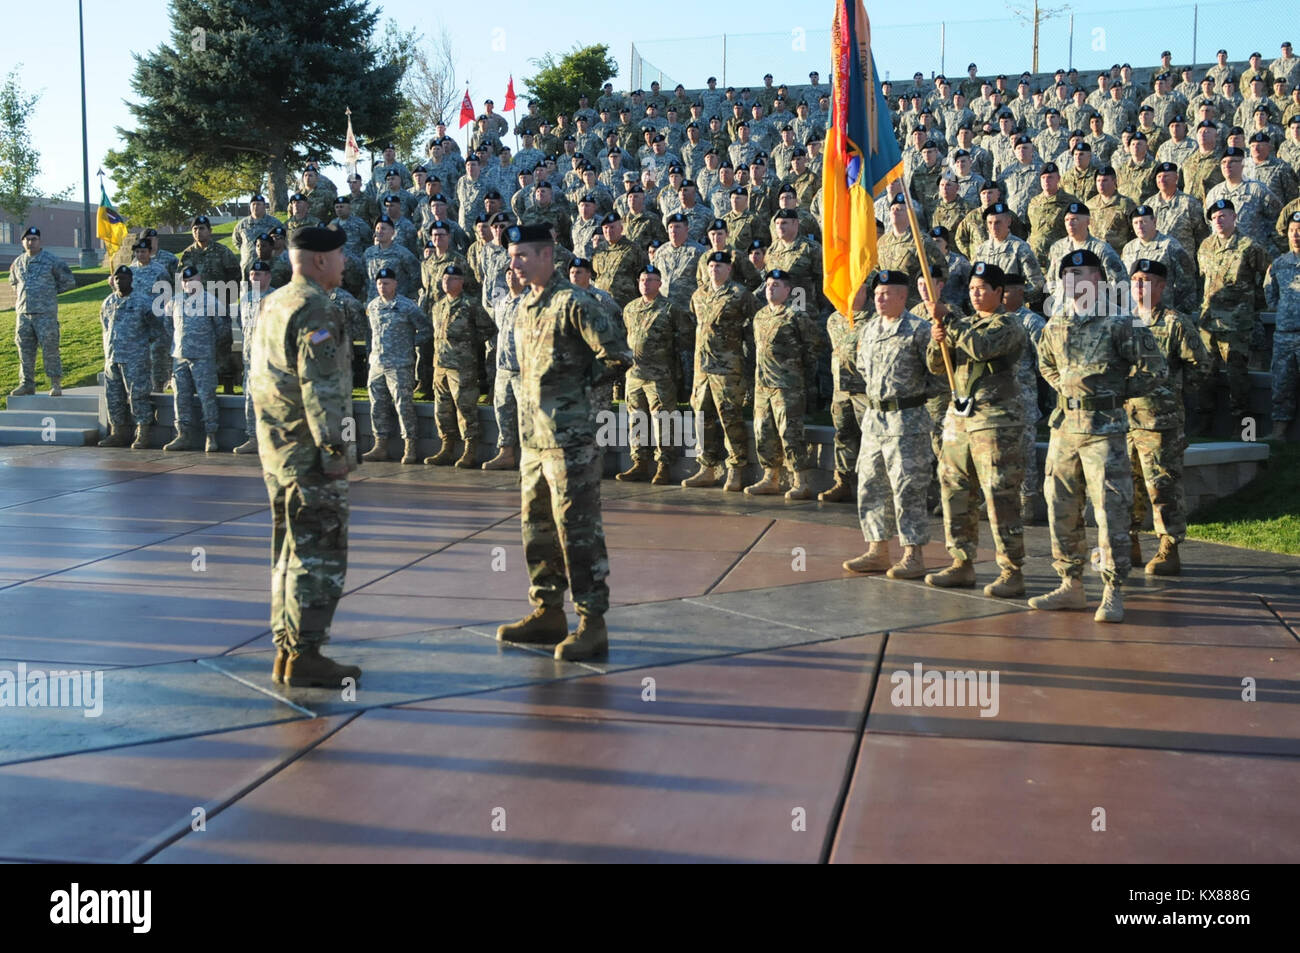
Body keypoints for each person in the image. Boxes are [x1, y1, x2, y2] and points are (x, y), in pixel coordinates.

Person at [495, 223, 632, 662]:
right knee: (536, 529)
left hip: (570, 441)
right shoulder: (524, 307)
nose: (512, 264)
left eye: (520, 256)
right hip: (534, 441)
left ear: (545, 257)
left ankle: (592, 623)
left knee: (578, 532)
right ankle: (547, 611)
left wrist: (579, 394)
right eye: (511, 257)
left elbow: (617, 356)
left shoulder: (575, 304)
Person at [249, 224, 360, 688]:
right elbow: (323, 389)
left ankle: (287, 650)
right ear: (319, 261)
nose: (343, 262)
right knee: (320, 552)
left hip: (277, 451)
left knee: (288, 551)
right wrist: (336, 451)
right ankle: (307, 653)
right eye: (338, 255)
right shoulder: (317, 310)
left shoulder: (273, 303)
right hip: (309, 454)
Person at [1030, 249, 1163, 623]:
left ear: (1100, 280)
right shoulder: (1056, 322)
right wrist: (1068, 390)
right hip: (1064, 429)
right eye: (1067, 276)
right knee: (1060, 506)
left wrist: (1114, 392)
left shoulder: (1122, 320)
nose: (1074, 282)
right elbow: (1045, 363)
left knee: (1109, 510)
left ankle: (1112, 589)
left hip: (1104, 431)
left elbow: (1156, 368)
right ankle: (1070, 584)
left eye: (1083, 274)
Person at [924, 263, 1029, 597]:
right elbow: (938, 366)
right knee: (954, 489)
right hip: (961, 417)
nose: (976, 294)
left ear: (1000, 293)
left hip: (995, 419)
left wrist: (950, 321)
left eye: (983, 288)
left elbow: (982, 348)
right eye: (972, 288)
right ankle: (961, 561)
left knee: (999, 494)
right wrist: (936, 337)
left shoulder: (1008, 323)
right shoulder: (963, 323)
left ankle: (1011, 570)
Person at [841, 271, 935, 578]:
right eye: (877, 293)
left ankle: (913, 554)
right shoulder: (869, 329)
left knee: (908, 488)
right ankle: (877, 549)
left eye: (886, 294)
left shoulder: (920, 330)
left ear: (902, 296)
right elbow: (863, 368)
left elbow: (937, 375)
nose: (879, 298)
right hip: (874, 421)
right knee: (870, 485)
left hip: (907, 421)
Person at [1127, 258, 1211, 575]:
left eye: (1147, 280)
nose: (1139, 285)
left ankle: (1168, 547)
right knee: (1126, 485)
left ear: (1161, 286)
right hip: (1126, 420)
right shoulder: (1123, 321)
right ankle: (1129, 541)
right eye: (1135, 279)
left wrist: (1170, 392)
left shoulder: (1175, 322)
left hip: (1161, 423)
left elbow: (1200, 367)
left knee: (1163, 487)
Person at [681, 251, 758, 491]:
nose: (714, 269)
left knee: (729, 418)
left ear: (729, 269)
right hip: (701, 368)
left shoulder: (739, 294)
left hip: (727, 367)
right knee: (702, 418)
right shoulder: (699, 294)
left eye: (719, 266)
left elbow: (753, 325)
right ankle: (707, 467)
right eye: (711, 265)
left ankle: (736, 468)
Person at [743, 271, 821, 499]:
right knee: (763, 431)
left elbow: (813, 346)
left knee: (790, 432)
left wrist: (795, 371)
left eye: (776, 285)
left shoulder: (797, 315)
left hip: (787, 385)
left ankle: (801, 480)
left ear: (788, 291)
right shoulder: (760, 317)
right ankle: (770, 478)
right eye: (768, 285)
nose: (770, 289)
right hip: (763, 385)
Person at [616, 264, 693, 485]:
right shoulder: (630, 308)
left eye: (650, 280)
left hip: (660, 375)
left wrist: (681, 375)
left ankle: (664, 465)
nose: (645, 284)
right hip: (635, 374)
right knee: (636, 419)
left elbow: (685, 341)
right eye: (642, 280)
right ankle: (640, 462)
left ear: (660, 284)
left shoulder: (670, 309)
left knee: (663, 420)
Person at [1197, 198, 1270, 424]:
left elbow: (1268, 274)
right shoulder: (1206, 246)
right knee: (1205, 372)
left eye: (1223, 216)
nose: (1218, 221)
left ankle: (1243, 426)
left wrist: (1253, 303)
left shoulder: (1249, 246)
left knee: (1237, 375)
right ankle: (1205, 422)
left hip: (1237, 323)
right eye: (1214, 218)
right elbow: (1204, 278)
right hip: (1209, 322)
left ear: (1234, 217)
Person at [423, 265, 494, 468]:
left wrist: (468, 345)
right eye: (445, 278)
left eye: (452, 278)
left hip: (462, 366)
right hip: (441, 365)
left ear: (461, 282)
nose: (447, 282)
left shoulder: (470, 305)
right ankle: (447, 447)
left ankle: (469, 450)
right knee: (442, 410)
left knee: (465, 408)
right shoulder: (438, 306)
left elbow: (488, 329)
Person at [361, 267, 430, 465]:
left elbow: (425, 329)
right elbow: (370, 333)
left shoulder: (407, 306)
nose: (383, 287)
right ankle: (380, 444)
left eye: (387, 283)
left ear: (395, 284)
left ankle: (410, 446)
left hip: (399, 365)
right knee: (377, 405)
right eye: (380, 284)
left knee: (403, 405)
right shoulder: (373, 306)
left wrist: (409, 344)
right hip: (377, 364)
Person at [164, 265, 227, 453]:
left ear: (199, 279)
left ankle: (211, 435)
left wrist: (207, 344)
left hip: (203, 357)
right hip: (180, 357)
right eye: (184, 280)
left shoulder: (210, 301)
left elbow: (222, 329)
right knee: (180, 397)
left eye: (191, 279)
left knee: (207, 396)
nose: (188, 283)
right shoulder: (174, 301)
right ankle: (183, 435)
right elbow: (168, 325)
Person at [8, 226, 76, 396]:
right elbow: (14, 282)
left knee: (50, 349)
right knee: (24, 350)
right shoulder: (18, 262)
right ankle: (27, 384)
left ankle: (55, 384)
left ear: (40, 241)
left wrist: (49, 293)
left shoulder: (52, 260)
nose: (31, 242)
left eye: (34, 239)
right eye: (28, 239)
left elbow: (68, 281)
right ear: (23, 242)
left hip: (45, 314)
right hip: (23, 314)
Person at [97, 266, 157, 450]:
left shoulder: (143, 302)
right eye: (116, 279)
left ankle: (143, 432)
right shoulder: (108, 302)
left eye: (123, 278)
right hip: (113, 358)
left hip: (135, 358)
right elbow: (105, 326)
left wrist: (140, 345)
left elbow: (155, 329)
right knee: (113, 397)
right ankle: (117, 432)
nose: (119, 282)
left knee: (138, 395)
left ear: (131, 280)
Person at [820, 282, 870, 503]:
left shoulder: (874, 319)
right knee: (843, 435)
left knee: (870, 440)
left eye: (856, 289)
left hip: (865, 391)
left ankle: (871, 486)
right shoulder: (834, 319)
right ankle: (843, 482)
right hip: (841, 390)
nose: (850, 294)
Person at [482, 268, 527, 471]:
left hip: (523, 368)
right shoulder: (502, 302)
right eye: (508, 274)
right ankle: (506, 453)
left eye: (515, 274)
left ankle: (529, 456)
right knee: (502, 411)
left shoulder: (531, 302)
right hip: (504, 367)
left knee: (527, 414)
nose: (511, 277)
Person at [1264, 211, 1300, 440]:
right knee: (1281, 385)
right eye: (1292, 231)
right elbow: (1271, 296)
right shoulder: (1279, 264)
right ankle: (1279, 432)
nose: (1296, 235)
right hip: (1285, 335)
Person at [233, 261, 275, 455]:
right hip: (251, 360)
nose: (254, 278)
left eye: (258, 274)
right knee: (250, 400)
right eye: (251, 275)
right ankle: (253, 438)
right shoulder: (246, 298)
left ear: (268, 276)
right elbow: (243, 325)